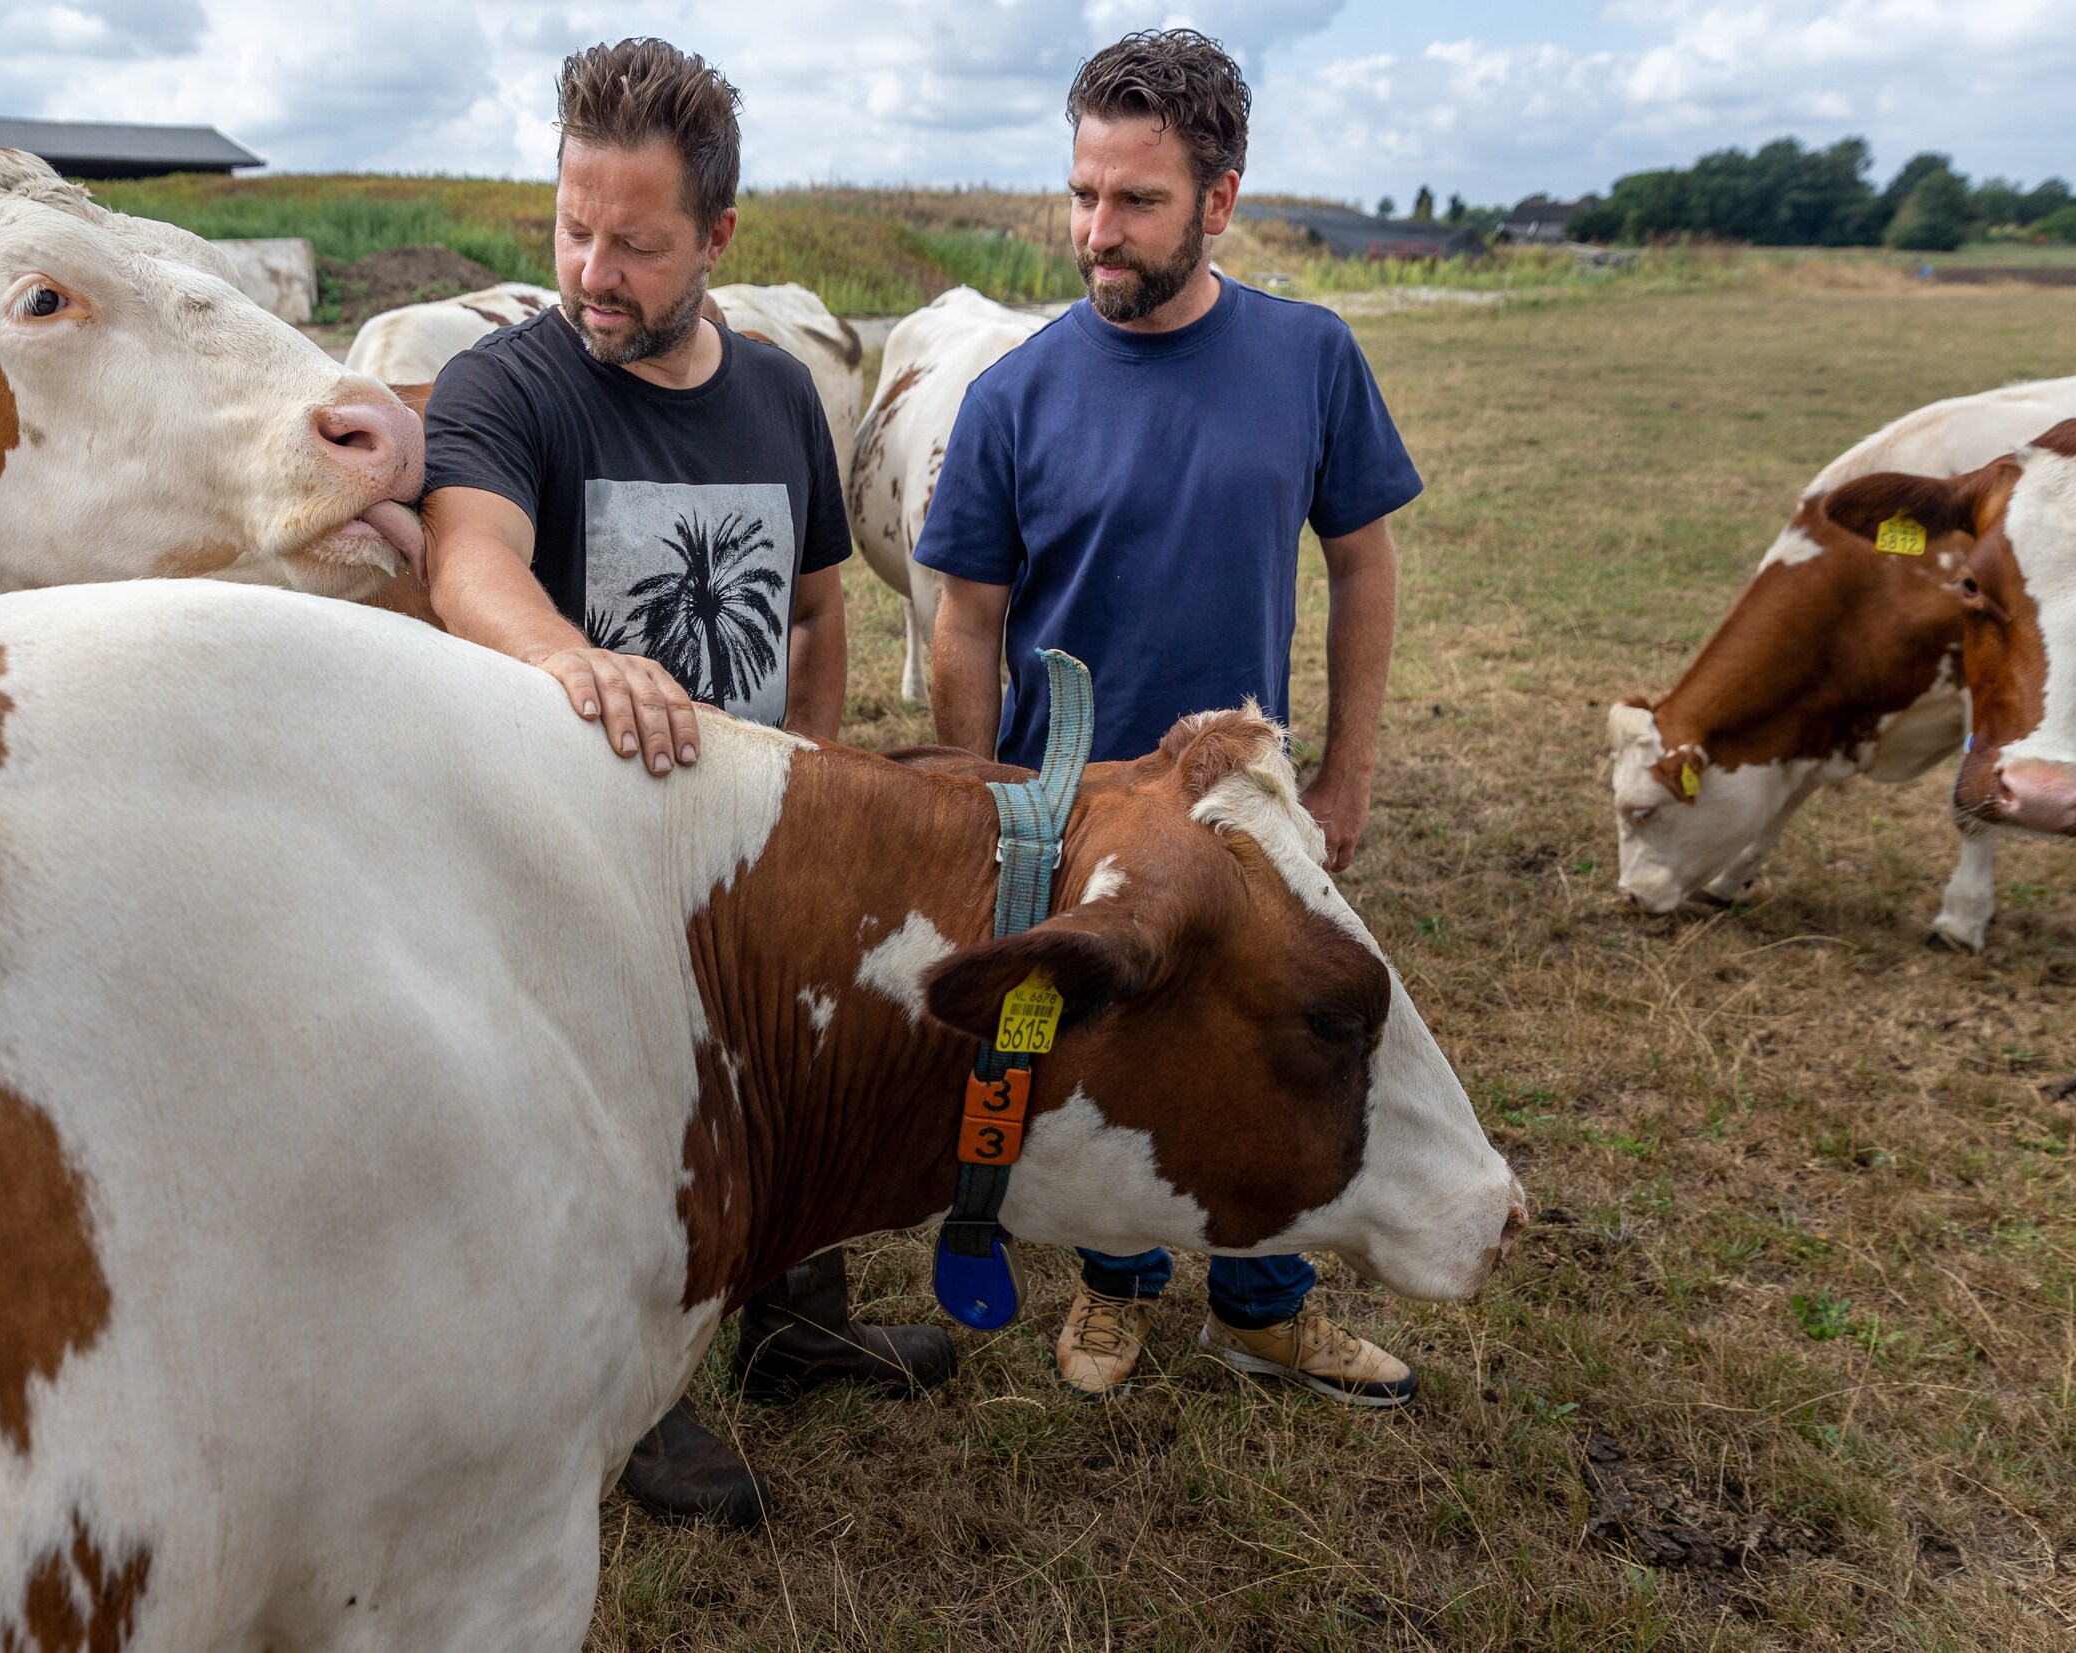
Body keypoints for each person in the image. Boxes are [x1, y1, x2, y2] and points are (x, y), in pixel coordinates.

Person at [413, 38, 958, 1527]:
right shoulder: (505, 386)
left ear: (719, 237)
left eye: (637, 244)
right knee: (629, 1120)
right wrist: (565, 656)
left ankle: (801, 1325)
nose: (594, 269)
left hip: (755, 829)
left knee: (783, 1067)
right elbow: (468, 557)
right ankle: (635, 1400)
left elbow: (819, 608)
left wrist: (820, 774)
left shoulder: (782, 396)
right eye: (573, 230)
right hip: (576, 852)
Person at [917, 29, 1424, 1408]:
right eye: (1084, 195)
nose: (1098, 231)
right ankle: (1113, 1279)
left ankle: (1267, 1304)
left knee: (1277, 1041)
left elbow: (1364, 557)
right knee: (1114, 1049)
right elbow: (968, 614)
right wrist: (986, 800)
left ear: (1220, 198)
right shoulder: (1015, 393)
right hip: (1080, 806)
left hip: (1247, 803)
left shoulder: (1310, 358)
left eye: (1135, 201)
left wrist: (1346, 770)